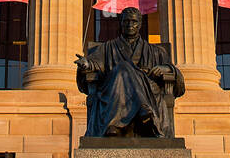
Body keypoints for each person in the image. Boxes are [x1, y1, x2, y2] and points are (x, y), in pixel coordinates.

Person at [75, 7, 184, 137]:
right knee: (123, 68)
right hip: (115, 93)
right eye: (126, 21)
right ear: (121, 23)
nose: (130, 25)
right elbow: (93, 64)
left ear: (140, 24)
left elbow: (178, 82)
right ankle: (144, 110)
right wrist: (86, 65)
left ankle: (114, 124)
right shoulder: (107, 48)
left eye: (134, 21)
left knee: (123, 68)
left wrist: (167, 69)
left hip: (148, 91)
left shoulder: (155, 52)